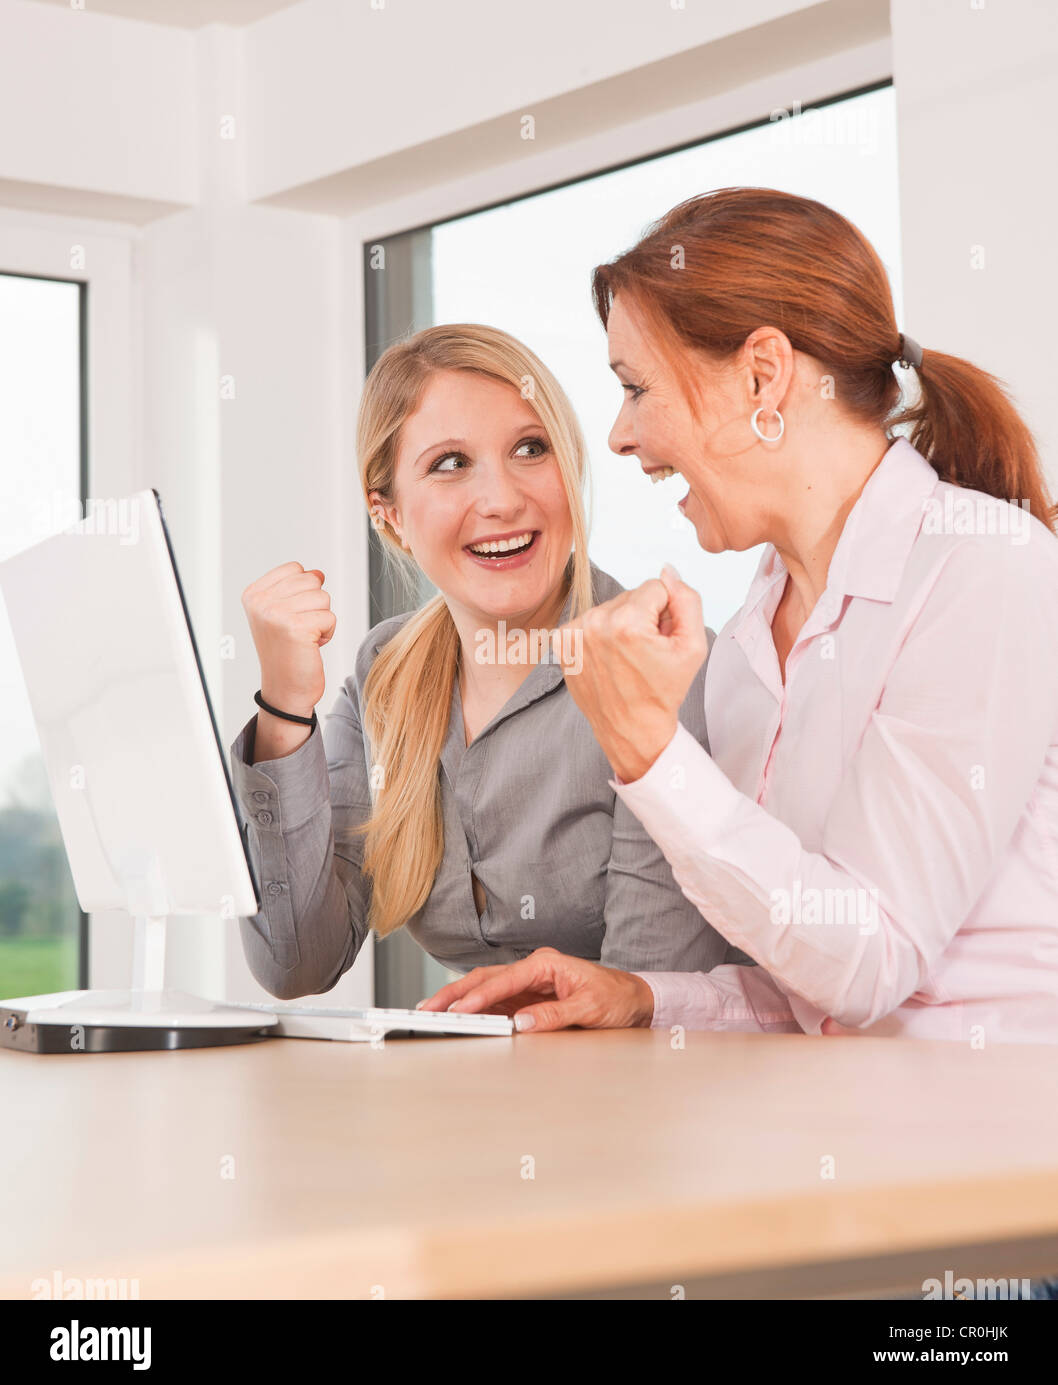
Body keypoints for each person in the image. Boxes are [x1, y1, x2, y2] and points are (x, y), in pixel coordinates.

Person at [419, 186, 1058, 1047]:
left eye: (637, 388)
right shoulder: (752, 634)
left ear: (763, 374)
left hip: (995, 1141)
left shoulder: (982, 567)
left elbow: (872, 964)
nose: (617, 436)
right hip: (848, 1124)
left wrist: (650, 754)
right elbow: (807, 985)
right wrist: (643, 996)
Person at [229, 323, 746, 999]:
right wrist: (284, 708)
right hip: (496, 1089)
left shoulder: (658, 661)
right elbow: (298, 964)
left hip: (658, 1091)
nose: (502, 500)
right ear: (387, 514)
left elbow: (648, 995)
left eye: (531, 450)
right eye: (450, 464)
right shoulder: (386, 670)